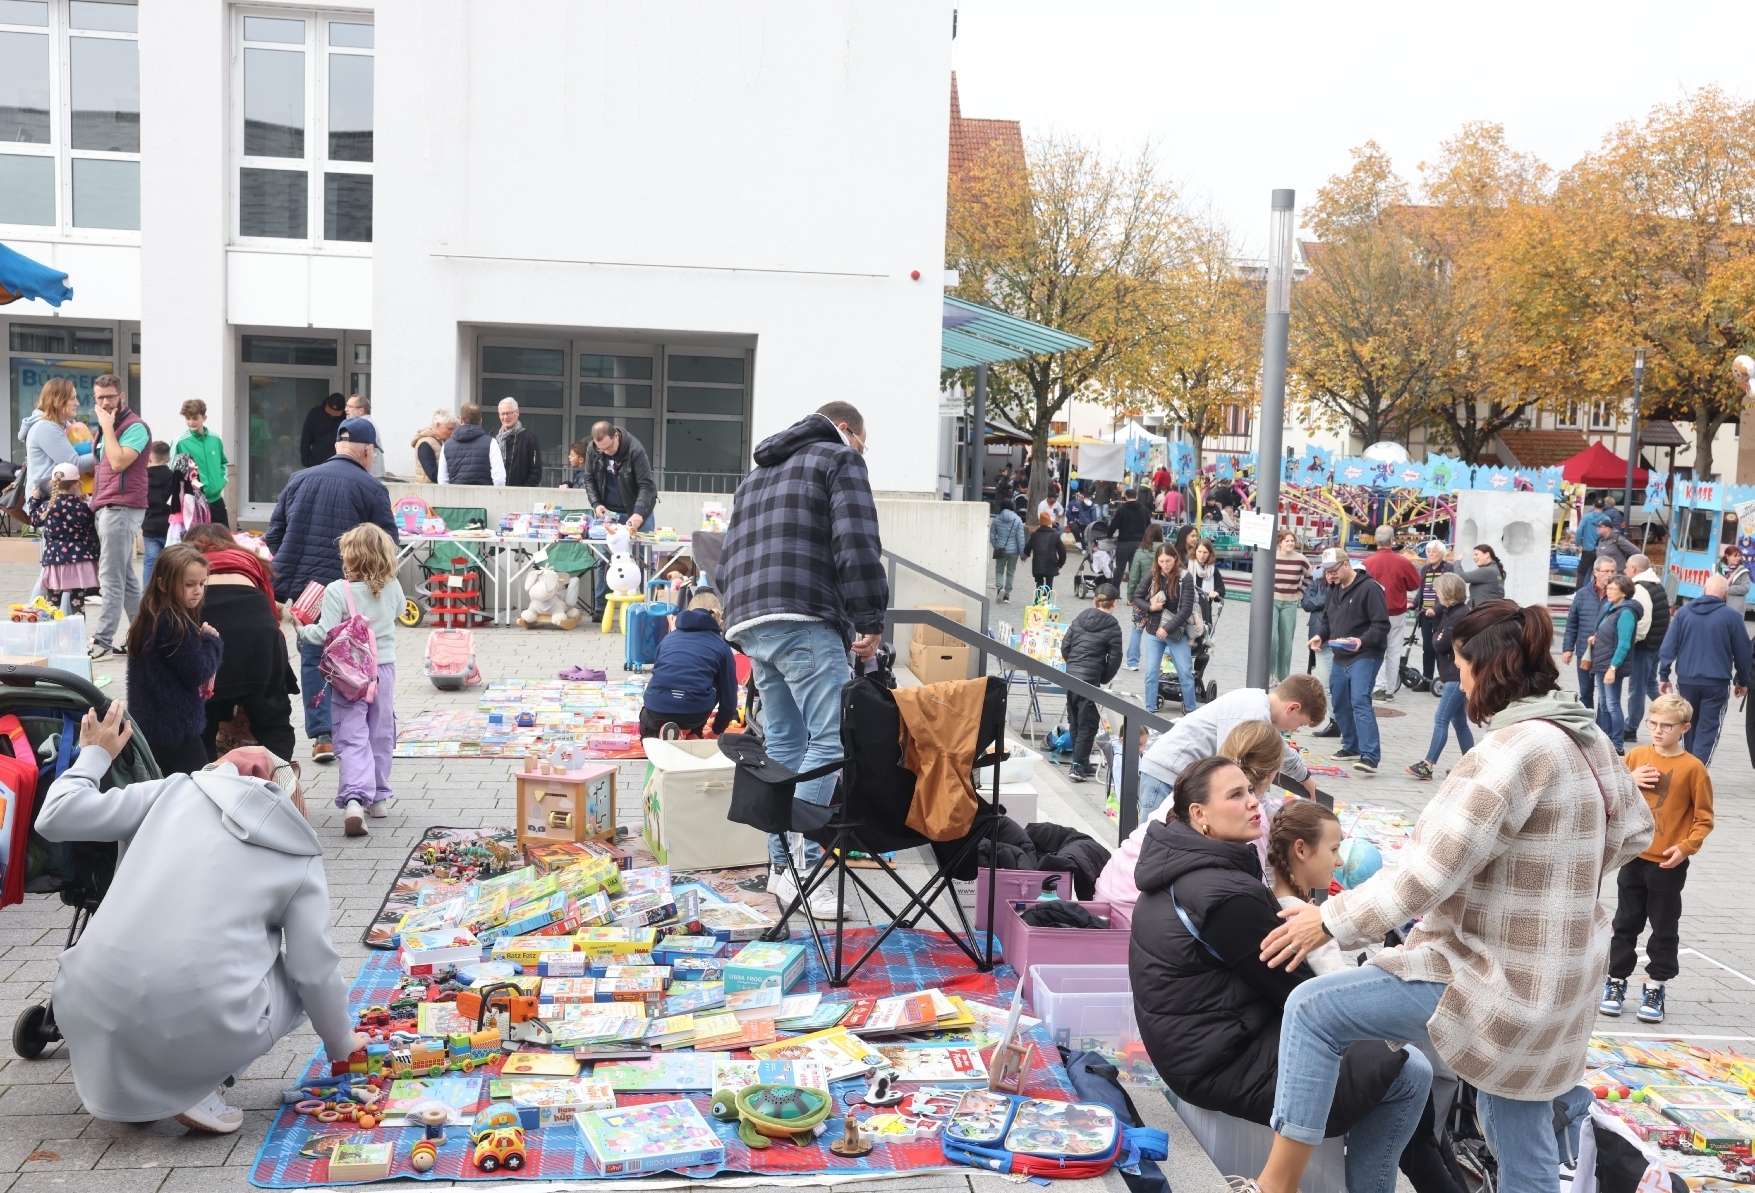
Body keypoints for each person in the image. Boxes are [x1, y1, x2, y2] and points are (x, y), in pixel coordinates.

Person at [1247, 599, 1653, 1193]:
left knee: (1312, 1010)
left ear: (1489, 671)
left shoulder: (1511, 752)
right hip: (1563, 980)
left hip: (1493, 978)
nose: (1458, 681)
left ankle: (1275, 1187)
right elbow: (1637, 829)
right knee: (1520, 1134)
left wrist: (1328, 921)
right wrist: (1554, 875)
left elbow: (1423, 874)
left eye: (1462, 668)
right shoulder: (1585, 738)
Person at [35, 716, 359, 1135]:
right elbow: (315, 973)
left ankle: (136, 1080)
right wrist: (341, 1045)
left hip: (81, 1004)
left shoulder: (172, 790)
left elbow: (55, 817)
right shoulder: (297, 849)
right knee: (298, 979)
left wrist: (95, 755)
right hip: (190, 1015)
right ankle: (200, 1087)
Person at [1129, 755, 1431, 1193]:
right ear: (1200, 814)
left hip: (1206, 1042)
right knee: (1410, 1069)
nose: (1254, 802)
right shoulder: (1223, 895)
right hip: (1218, 1060)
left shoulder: (1183, 866)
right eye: (1236, 795)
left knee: (1385, 1053)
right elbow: (1308, 998)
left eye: (1251, 791)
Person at [719, 402, 887, 923]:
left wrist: (740, 619)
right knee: (832, 737)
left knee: (787, 742)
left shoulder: (757, 476)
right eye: (864, 442)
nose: (863, 452)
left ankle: (781, 865)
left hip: (750, 620)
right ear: (849, 431)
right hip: (804, 615)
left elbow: (728, 555)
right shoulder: (839, 459)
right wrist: (869, 617)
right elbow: (857, 543)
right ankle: (808, 865)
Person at [1098, 676, 1327, 914]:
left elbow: (1273, 750)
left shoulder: (1254, 705)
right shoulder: (1250, 717)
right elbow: (1245, 769)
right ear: (1293, 708)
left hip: (1114, 889)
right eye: (1298, 725)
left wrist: (1303, 775)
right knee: (1159, 850)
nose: (1293, 730)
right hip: (1166, 775)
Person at [265, 417, 399, 764]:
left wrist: (292, 575)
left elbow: (274, 535)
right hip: (353, 588)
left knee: (314, 656)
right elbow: (387, 544)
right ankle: (359, 729)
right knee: (357, 654)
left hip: (307, 588)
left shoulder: (298, 479)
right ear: (367, 451)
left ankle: (323, 736)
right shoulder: (372, 488)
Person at [1601, 693, 1713, 1026]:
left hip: (1667, 863)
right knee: (1624, 923)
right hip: (1634, 857)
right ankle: (1616, 982)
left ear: (1684, 728)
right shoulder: (1636, 756)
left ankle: (1656, 986)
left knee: (1664, 926)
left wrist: (1686, 848)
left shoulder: (1693, 769)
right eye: (1653, 724)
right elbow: (1609, 790)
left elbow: (1704, 818)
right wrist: (1628, 779)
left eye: (1667, 726)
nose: (1658, 730)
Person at [296, 525, 403, 837]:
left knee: (352, 734)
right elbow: (396, 613)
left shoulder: (336, 590)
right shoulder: (392, 586)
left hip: (348, 675)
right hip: (383, 670)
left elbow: (324, 633)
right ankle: (379, 797)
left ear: (350, 557)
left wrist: (301, 630)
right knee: (380, 731)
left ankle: (355, 799)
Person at [194, 527, 297, 764]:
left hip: (208, 637)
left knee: (202, 722)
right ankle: (277, 779)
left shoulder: (188, 561)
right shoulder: (248, 559)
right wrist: (278, 666)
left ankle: (203, 784)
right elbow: (272, 612)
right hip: (257, 639)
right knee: (272, 720)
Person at [124, 544, 225, 775]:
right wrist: (211, 642)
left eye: (202, 583)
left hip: (150, 721)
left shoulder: (152, 617)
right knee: (197, 785)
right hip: (175, 726)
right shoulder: (174, 624)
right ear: (162, 584)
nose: (198, 591)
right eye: (189, 585)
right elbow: (198, 672)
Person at [1307, 547, 1390, 774]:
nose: (1329, 577)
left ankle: (1370, 756)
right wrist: (1320, 636)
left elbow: (1382, 625)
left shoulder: (1369, 588)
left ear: (1346, 565)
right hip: (1340, 654)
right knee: (1340, 700)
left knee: (1360, 699)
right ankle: (1351, 746)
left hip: (1365, 654)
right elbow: (1327, 620)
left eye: (1333, 571)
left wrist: (1362, 641)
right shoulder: (1333, 590)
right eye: (1325, 572)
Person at [88, 374, 151, 660]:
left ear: (121, 396)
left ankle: (102, 640)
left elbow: (117, 461)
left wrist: (107, 427)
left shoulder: (135, 427)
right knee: (124, 577)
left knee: (110, 577)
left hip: (122, 507)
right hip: (107, 506)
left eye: (110, 396)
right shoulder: (106, 429)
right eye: (99, 397)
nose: (105, 402)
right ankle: (144, 638)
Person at [1656, 574, 1751, 763]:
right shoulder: (1732, 617)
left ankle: (1689, 769)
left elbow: (1668, 646)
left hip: (1687, 680)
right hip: (1717, 683)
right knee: (1708, 729)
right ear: (1725, 595)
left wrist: (1664, 675)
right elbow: (1743, 652)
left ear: (1704, 590)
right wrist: (1742, 680)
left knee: (1687, 724)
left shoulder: (1683, 613)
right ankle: (1697, 771)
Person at [639, 592, 738, 740]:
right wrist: (716, 730)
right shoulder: (721, 646)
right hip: (694, 713)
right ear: (718, 617)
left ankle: (653, 736)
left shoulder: (668, 639)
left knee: (648, 717)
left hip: (657, 708)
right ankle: (693, 733)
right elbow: (729, 700)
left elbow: (658, 673)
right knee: (713, 683)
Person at [1405, 574, 1472, 780]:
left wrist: (1437, 635)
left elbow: (1439, 643)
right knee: (1458, 721)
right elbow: (1440, 637)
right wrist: (1439, 633)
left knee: (1441, 718)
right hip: (1453, 673)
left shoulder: (1458, 615)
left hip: (1456, 675)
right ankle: (1471, 766)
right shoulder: (1452, 611)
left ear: (1447, 593)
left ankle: (1428, 765)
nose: (1436, 594)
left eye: (1438, 591)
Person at [1059, 583, 1124, 782]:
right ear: (1114, 603)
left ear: (1095, 600)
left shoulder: (1081, 617)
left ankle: (1082, 760)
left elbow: (1065, 647)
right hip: (1090, 680)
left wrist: (1073, 666)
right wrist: (1102, 677)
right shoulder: (1112, 626)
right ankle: (1077, 766)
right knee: (1088, 724)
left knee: (1076, 720)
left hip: (1071, 678)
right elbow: (1115, 659)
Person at [1134, 545, 1199, 716]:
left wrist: (1166, 628)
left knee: (1185, 671)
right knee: (1151, 672)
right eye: (1161, 561)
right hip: (1154, 632)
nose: (1165, 565)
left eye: (1168, 561)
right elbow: (1137, 597)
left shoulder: (1185, 578)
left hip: (1177, 633)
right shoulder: (1154, 574)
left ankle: (1192, 710)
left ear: (1175, 558)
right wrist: (1151, 607)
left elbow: (1185, 610)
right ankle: (1149, 709)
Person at [29, 462, 100, 615]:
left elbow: (35, 521)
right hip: (80, 560)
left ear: (52, 483)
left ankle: (51, 633)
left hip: (55, 559)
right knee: (77, 603)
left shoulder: (47, 507)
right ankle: (77, 634)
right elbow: (90, 528)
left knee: (52, 602)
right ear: (76, 485)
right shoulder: (83, 507)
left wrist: (34, 500)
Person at [1362, 527, 1420, 701]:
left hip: (1372, 613)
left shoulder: (1366, 563)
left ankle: (1378, 687)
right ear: (1392, 540)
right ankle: (1389, 689)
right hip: (1397, 611)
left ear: (1375, 541)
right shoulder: (1402, 562)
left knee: (1377, 649)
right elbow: (1415, 583)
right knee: (1394, 651)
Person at [18, 377, 93, 501]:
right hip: (49, 506)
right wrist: (106, 453)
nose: (77, 403)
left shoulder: (59, 425)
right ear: (57, 401)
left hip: (54, 503)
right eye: (72, 398)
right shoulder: (46, 428)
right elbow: (75, 464)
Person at [1590, 575, 1640, 754]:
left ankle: (1617, 744)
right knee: (1603, 704)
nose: (1608, 592)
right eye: (1608, 588)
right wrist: (1596, 638)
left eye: (1613, 589)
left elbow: (1624, 643)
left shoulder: (1626, 612)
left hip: (1611, 665)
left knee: (1612, 704)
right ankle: (1604, 740)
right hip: (1602, 662)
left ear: (1624, 592)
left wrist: (1613, 667)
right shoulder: (1610, 607)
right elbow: (1608, 633)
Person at [1560, 557, 1618, 710]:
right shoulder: (1582, 594)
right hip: (1584, 652)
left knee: (1606, 696)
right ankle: (1588, 725)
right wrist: (1567, 649)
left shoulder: (1618, 596)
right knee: (1586, 692)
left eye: (1613, 571)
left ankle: (1602, 728)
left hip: (1607, 653)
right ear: (1596, 572)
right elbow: (1572, 623)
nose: (1610, 574)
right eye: (1606, 571)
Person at [1624, 554, 1670, 741]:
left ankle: (1630, 728)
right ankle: (1672, 711)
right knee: (1650, 683)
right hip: (1657, 643)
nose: (1625, 570)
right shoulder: (1656, 585)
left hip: (1644, 646)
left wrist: (1633, 642)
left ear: (1634, 568)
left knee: (1637, 689)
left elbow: (1643, 621)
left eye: (1627, 567)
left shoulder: (1639, 588)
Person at [583, 420, 659, 530]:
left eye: (609, 447)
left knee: (640, 547)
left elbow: (646, 485)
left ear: (616, 436)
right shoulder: (592, 448)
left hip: (636, 512)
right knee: (605, 546)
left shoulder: (635, 450)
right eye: (601, 449)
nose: (606, 452)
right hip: (607, 513)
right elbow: (589, 478)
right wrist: (596, 503)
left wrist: (639, 512)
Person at [174, 399, 231, 526]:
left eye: (195, 418)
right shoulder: (180, 442)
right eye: (188, 418)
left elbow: (223, 463)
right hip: (194, 502)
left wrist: (222, 481)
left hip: (216, 499)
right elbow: (172, 470)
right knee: (199, 542)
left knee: (224, 540)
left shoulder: (215, 439)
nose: (191, 422)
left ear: (204, 417)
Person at [1122, 524, 1165, 671]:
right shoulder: (1166, 550)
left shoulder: (1140, 552)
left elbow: (1133, 577)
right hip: (1161, 598)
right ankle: (1161, 664)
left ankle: (1132, 662)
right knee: (1161, 630)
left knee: (1136, 629)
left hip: (1142, 597)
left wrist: (1130, 596)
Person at [1272, 531, 1312, 685]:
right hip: (1273, 602)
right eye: (1286, 541)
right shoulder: (1272, 557)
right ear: (1280, 542)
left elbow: (1310, 576)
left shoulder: (1301, 559)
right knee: (1273, 640)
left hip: (1290, 604)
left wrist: (1300, 594)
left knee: (1286, 642)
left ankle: (1283, 677)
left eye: (1292, 541)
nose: (1289, 543)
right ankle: (1270, 673)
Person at [1413, 542, 1456, 687]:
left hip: (1441, 616)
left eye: (1434, 551)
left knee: (1440, 647)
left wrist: (1436, 609)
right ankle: (1427, 680)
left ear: (1442, 553)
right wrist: (1413, 604)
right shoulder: (1425, 569)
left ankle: (1443, 680)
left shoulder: (1449, 569)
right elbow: (1422, 591)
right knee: (1427, 648)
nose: (1431, 554)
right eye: (1429, 551)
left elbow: (1448, 592)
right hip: (1425, 614)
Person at [437, 403, 504, 485]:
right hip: (484, 496)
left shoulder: (447, 445)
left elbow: (442, 480)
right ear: (480, 421)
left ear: (461, 420)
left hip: (455, 496)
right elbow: (499, 478)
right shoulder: (491, 443)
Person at [141, 441, 176, 582]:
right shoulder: (174, 477)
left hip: (149, 527)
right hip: (171, 528)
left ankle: (147, 593)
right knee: (173, 563)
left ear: (148, 458)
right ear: (168, 458)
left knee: (150, 561)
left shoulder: (142, 479)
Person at [495, 397, 544, 486]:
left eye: (509, 413)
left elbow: (536, 471)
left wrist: (523, 491)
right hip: (495, 492)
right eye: (502, 414)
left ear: (517, 412)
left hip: (520, 494)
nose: (505, 417)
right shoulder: (493, 436)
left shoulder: (529, 439)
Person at [989, 501, 1026, 604]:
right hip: (1014, 551)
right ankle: (1007, 596)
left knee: (999, 570)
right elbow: (1020, 539)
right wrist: (1022, 554)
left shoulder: (997, 519)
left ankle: (1000, 588)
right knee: (1010, 572)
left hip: (1001, 549)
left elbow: (992, 535)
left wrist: (997, 545)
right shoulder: (1017, 520)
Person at [298, 392, 345, 469]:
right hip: (317, 463)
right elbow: (305, 439)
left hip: (339, 463)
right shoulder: (314, 414)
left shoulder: (346, 418)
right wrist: (306, 461)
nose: (332, 415)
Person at [1188, 537, 1227, 628]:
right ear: (1195, 551)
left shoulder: (1213, 570)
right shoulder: (1187, 566)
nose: (1202, 555)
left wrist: (1216, 592)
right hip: (1188, 607)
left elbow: (1221, 588)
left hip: (1205, 610)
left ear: (1210, 554)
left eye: (1205, 552)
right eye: (1199, 551)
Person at [1109, 486, 1150, 571]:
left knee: (1119, 570)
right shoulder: (1145, 510)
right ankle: (1132, 585)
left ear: (1125, 497)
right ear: (1137, 497)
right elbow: (1149, 527)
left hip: (1124, 543)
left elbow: (1113, 525)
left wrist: (1108, 535)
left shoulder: (1121, 510)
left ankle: (1115, 585)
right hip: (1140, 543)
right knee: (1134, 571)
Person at [345, 394, 385, 479]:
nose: (346, 409)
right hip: (369, 477)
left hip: (366, 478)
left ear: (361, 410)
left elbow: (357, 454)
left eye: (349, 407)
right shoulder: (365, 424)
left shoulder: (362, 426)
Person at [410, 410, 457, 483]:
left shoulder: (440, 442)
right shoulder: (425, 443)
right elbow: (432, 474)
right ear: (438, 425)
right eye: (450, 429)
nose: (452, 432)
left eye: (454, 429)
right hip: (428, 491)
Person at [1027, 511, 1066, 595]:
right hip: (1051, 562)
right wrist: (1059, 564)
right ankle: (1047, 601)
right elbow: (1062, 551)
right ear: (1049, 522)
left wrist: (1025, 555)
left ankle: (1038, 599)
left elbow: (1028, 547)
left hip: (1038, 561)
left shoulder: (1035, 535)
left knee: (1039, 582)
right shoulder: (1055, 535)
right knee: (1049, 583)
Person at [1576, 498, 1607, 578]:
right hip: (1601, 549)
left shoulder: (1586, 517)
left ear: (1593, 505)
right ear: (1603, 506)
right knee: (1599, 573)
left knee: (1582, 573)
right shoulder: (1607, 519)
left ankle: (1580, 590)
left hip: (1587, 549)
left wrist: (1578, 544)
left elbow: (1579, 530)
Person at [1718, 544, 1751, 616]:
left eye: (1739, 556)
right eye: (1735, 556)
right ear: (1727, 556)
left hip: (1735, 607)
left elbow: (1745, 588)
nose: (1738, 558)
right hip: (1718, 605)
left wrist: (1726, 589)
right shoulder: (1719, 569)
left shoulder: (1743, 571)